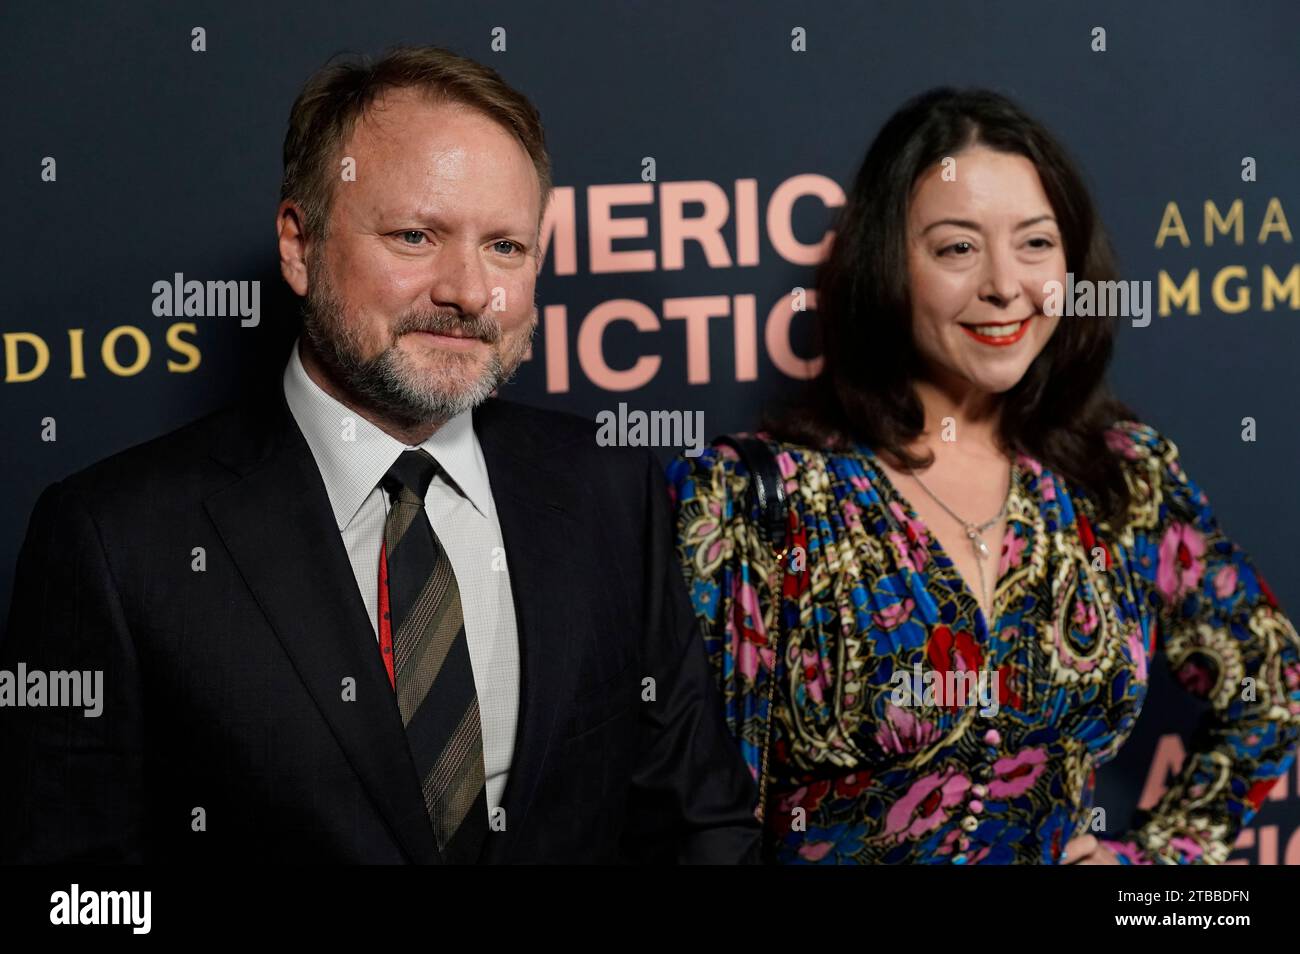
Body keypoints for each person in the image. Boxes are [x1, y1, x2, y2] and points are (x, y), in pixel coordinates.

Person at [0, 46, 759, 864]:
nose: (469, 292)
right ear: (299, 244)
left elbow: (700, 827)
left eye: (505, 247)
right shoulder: (118, 539)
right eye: (415, 235)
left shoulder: (609, 485)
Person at [668, 88, 1300, 865]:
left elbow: (1273, 685)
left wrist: (1154, 864)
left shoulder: (1122, 477)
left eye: (1035, 244)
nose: (1005, 285)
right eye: (957, 248)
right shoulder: (753, 500)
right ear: (886, 264)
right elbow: (686, 817)